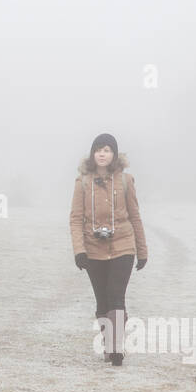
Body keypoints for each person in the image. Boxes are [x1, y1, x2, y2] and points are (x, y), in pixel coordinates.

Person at [70, 133, 149, 366]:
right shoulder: (82, 182)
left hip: (123, 246)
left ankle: (115, 350)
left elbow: (135, 216)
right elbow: (75, 219)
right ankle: (109, 343)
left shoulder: (125, 181)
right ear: (92, 154)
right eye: (98, 150)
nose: (102, 154)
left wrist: (142, 251)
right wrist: (79, 250)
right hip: (93, 248)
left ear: (114, 154)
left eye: (107, 150)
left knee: (116, 296)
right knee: (102, 301)